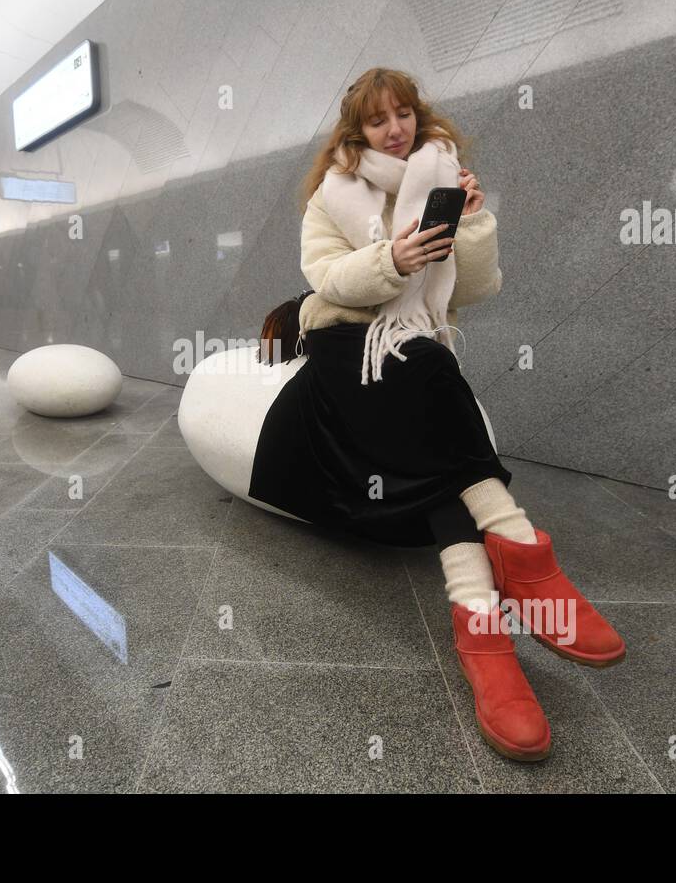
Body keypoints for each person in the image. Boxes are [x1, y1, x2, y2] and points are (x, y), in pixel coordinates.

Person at [247, 67, 626, 763]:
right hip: (341, 340)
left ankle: (480, 622)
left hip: (412, 348)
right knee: (431, 367)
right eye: (377, 119)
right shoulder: (330, 195)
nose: (395, 128)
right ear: (355, 131)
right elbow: (325, 280)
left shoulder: (441, 176)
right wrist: (389, 258)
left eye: (403, 114)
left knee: (426, 373)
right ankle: (523, 558)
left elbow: (475, 290)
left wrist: (474, 220)